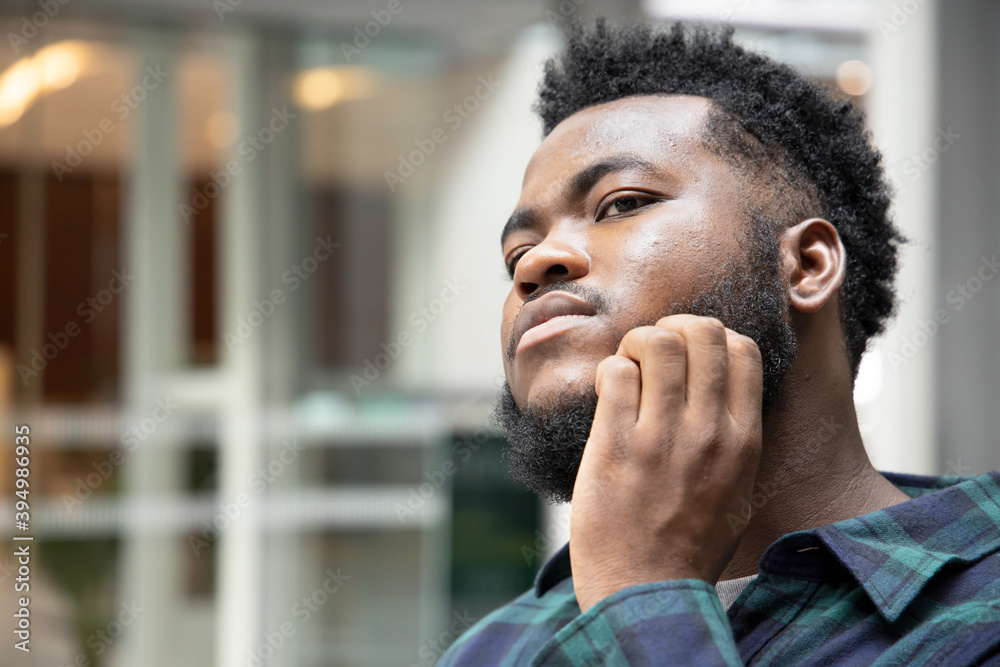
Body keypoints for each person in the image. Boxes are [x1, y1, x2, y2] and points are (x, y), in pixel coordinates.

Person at [437, 20, 1000, 666]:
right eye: (518, 254)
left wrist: (644, 590)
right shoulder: (491, 650)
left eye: (621, 204)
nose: (539, 263)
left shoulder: (978, 617)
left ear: (808, 264)